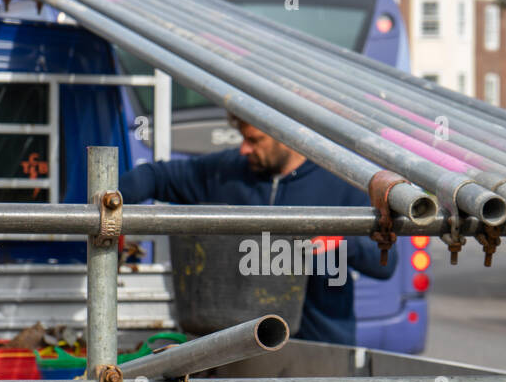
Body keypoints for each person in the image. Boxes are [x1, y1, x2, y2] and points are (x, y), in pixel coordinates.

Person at [118, 117, 397, 345]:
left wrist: (340, 239)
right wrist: (114, 204)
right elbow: (155, 176)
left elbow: (384, 264)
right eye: (243, 138)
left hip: (319, 346)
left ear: (288, 137)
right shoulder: (225, 171)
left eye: (254, 140)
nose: (244, 149)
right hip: (240, 345)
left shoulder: (343, 180)